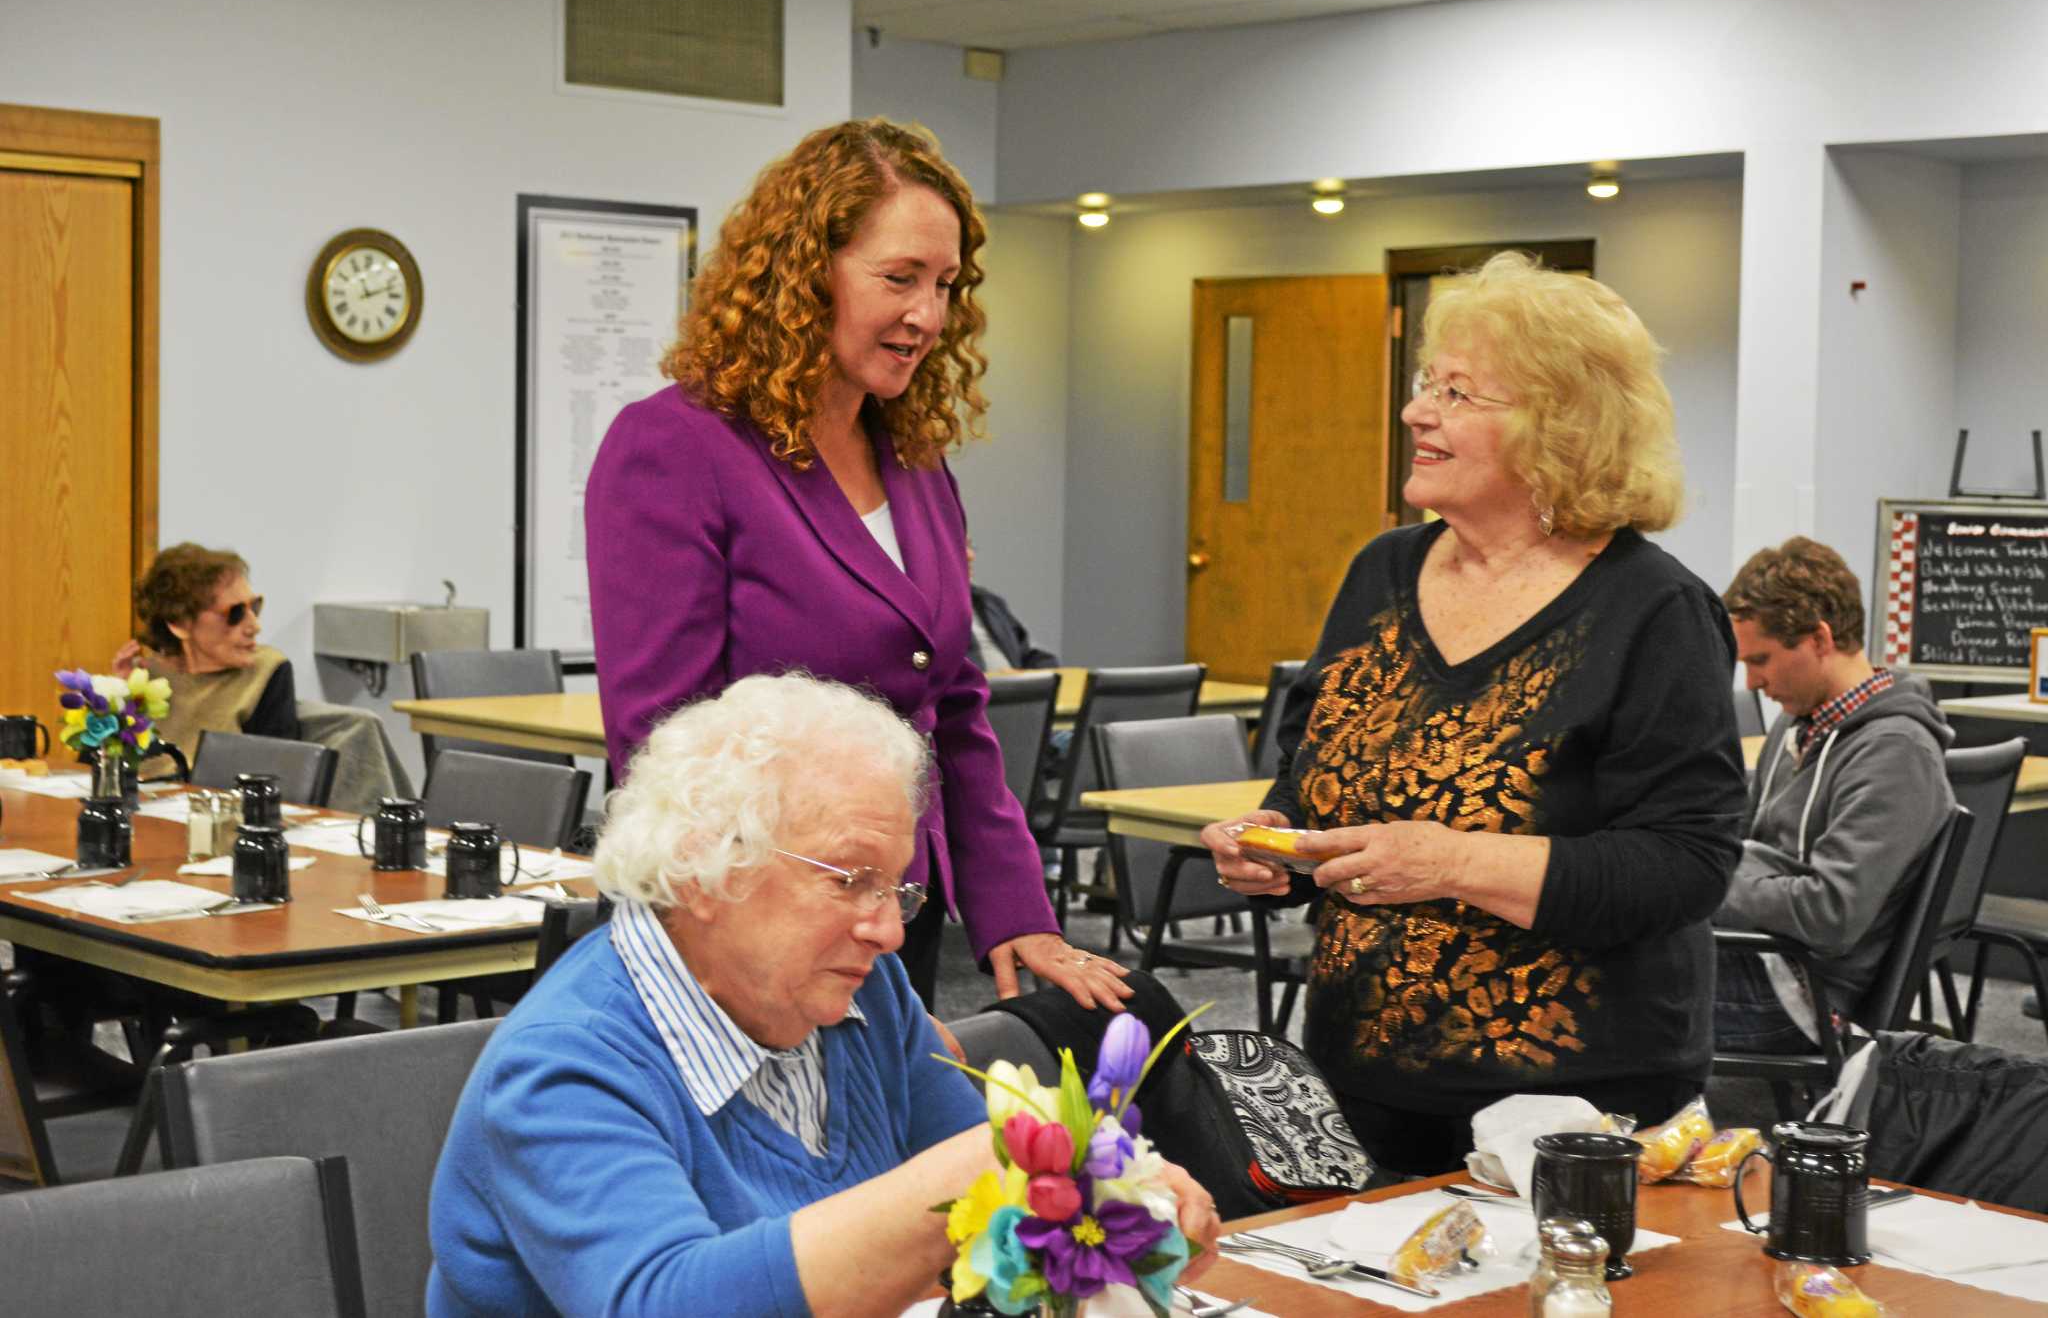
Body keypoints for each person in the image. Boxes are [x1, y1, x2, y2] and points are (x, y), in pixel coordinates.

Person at [425, 674, 1217, 1318]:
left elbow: (990, 1199)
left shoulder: (860, 997)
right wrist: (995, 1163)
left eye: (897, 888)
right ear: (711, 867)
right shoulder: (564, 1066)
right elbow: (663, 1300)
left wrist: (1116, 1195)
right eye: (852, 880)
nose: (888, 929)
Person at [1199, 252, 1747, 1177]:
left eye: (1457, 392)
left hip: (1576, 1111)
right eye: (1425, 385)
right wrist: (1280, 845)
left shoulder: (1654, 611)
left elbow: (1685, 864)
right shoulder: (1381, 572)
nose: (1418, 412)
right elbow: (1315, 782)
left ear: (1562, 427)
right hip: (1358, 1087)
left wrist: (1448, 861)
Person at [585, 118, 1126, 1010]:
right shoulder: (675, 447)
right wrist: (763, 949)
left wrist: (1016, 911)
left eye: (946, 284)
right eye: (899, 278)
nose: (928, 315)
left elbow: (952, 708)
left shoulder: (913, 460)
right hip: (744, 937)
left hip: (889, 917)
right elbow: (663, 749)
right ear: (805, 274)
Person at [1715, 536, 1954, 1052]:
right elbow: (1744, 841)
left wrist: (1702, 879)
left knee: (1599, 993)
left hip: (1810, 999)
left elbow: (1831, 914)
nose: (1752, 682)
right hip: (1761, 958)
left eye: (1762, 660)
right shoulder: (1795, 726)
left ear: (1820, 639)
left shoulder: (1895, 751)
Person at [112, 542, 298, 765]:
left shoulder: (267, 671)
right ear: (179, 623)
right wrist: (114, 703)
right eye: (236, 613)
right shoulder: (144, 678)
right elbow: (90, 773)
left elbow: (277, 776)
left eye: (255, 607)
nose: (254, 626)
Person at [965, 538, 1059, 672]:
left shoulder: (988, 602)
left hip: (1016, 690)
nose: (970, 555)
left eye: (969, 546)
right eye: (959, 546)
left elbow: (1028, 653)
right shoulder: (929, 613)